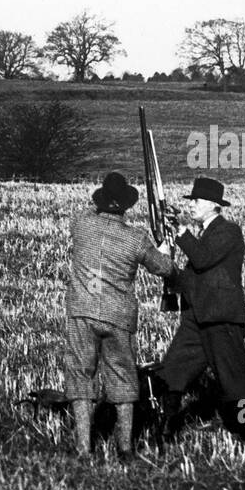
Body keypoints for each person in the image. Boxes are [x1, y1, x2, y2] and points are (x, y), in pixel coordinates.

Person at [66, 171, 176, 460]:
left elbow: (89, 211)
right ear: (126, 206)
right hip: (118, 316)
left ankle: (83, 449)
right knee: (124, 379)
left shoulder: (81, 225)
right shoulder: (136, 238)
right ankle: (125, 449)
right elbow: (165, 268)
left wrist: (101, 202)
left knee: (81, 376)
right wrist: (166, 249)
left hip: (82, 310)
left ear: (100, 201)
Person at [155, 176, 245, 452]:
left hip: (222, 320)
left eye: (197, 201)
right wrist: (164, 261)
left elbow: (203, 259)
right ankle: (165, 431)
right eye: (191, 200)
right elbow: (192, 281)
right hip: (196, 319)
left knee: (236, 383)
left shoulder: (228, 232)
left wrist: (181, 233)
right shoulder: (202, 237)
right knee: (173, 372)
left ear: (214, 206)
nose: (191, 205)